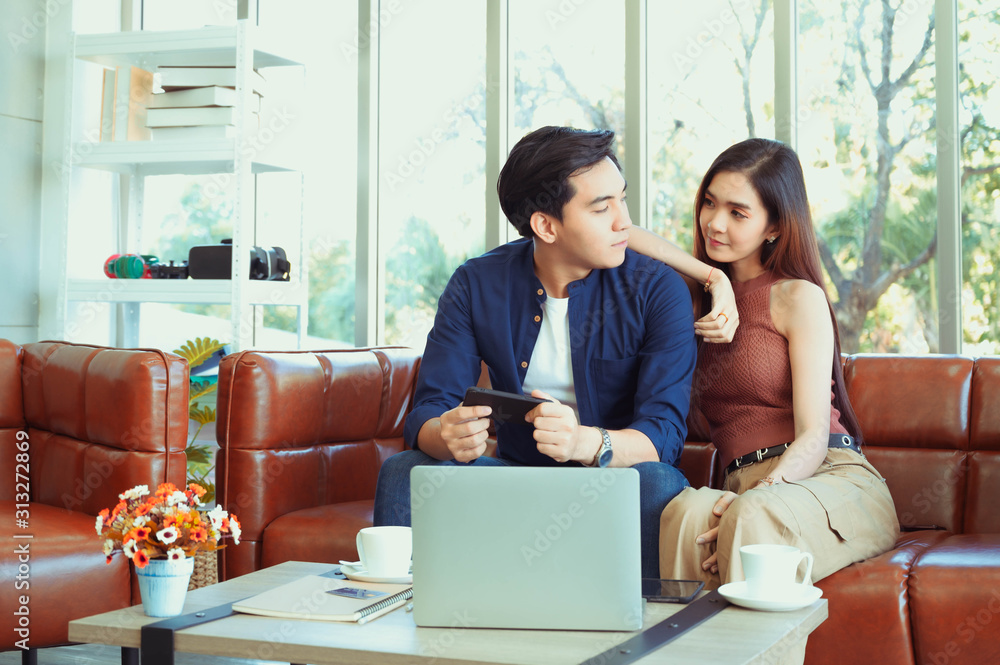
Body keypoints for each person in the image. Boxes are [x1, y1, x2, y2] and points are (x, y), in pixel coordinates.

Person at [373, 126, 735, 579]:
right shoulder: (476, 284)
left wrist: (582, 441)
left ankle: (640, 623)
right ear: (546, 226)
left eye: (622, 200)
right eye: (602, 208)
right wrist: (445, 434)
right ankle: (395, 615)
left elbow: (662, 435)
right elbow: (429, 409)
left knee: (655, 482)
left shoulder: (657, 290)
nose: (624, 222)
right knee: (405, 471)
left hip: (612, 482)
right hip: (515, 477)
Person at [628, 138, 899, 597]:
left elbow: (813, 435)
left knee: (751, 516)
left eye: (738, 213)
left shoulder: (797, 296)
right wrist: (714, 278)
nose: (715, 222)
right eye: (709, 202)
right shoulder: (691, 299)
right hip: (744, 486)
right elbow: (621, 232)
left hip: (825, 476)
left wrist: (764, 492)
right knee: (683, 515)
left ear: (774, 226)